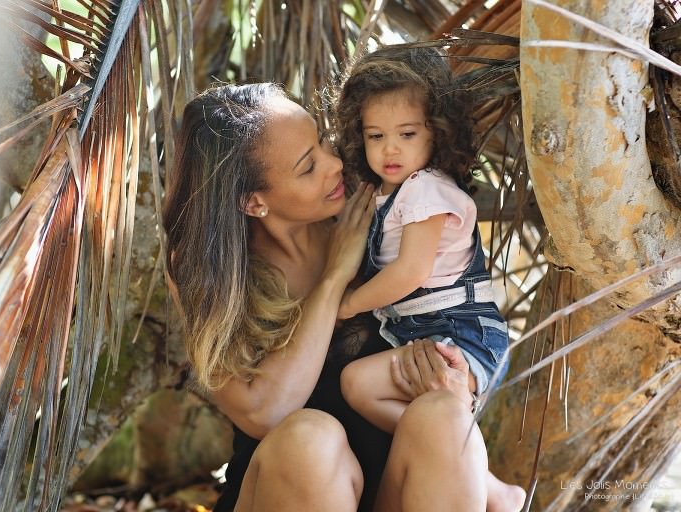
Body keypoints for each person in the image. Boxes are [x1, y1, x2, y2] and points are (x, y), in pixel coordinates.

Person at [163, 81, 495, 511]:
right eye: (307, 167)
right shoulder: (206, 270)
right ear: (253, 203)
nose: (334, 163)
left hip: (397, 488)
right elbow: (263, 412)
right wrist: (335, 278)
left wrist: (454, 379)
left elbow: (462, 316)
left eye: (321, 141)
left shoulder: (381, 206)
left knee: (446, 419)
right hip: (286, 490)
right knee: (310, 441)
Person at [333, 43, 525, 511]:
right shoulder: (386, 193)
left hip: (460, 333)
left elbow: (411, 272)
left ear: (436, 133)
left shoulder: (425, 191)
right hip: (426, 332)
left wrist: (348, 304)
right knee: (358, 384)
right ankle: (484, 479)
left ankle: (489, 485)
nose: (390, 149)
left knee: (358, 384)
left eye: (406, 133)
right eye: (376, 136)